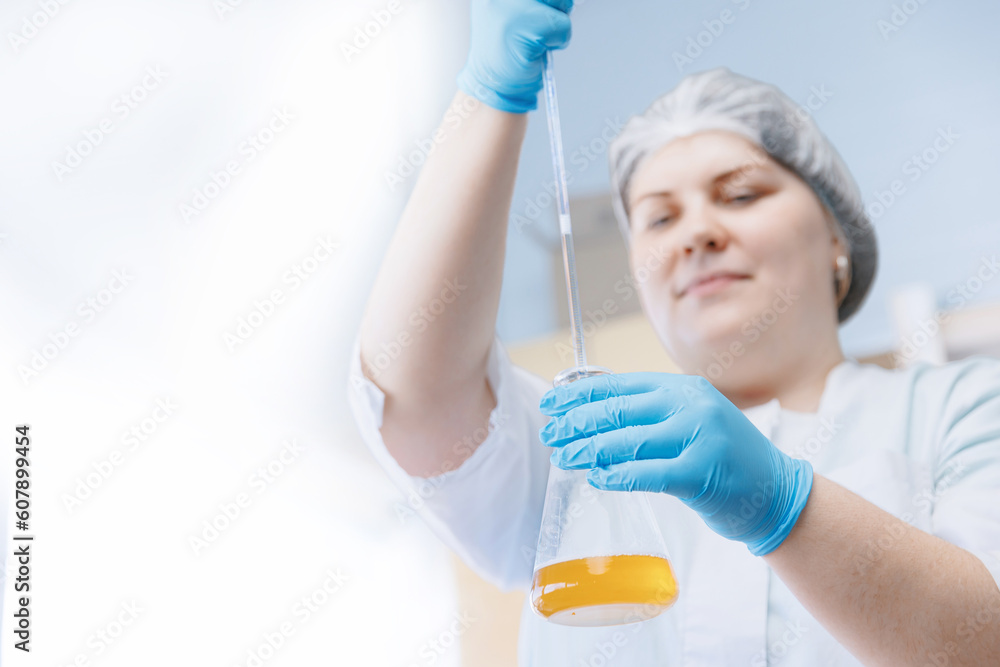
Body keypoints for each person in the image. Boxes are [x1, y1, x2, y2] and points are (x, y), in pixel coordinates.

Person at [347, 0, 1000, 664]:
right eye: (659, 220)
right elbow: (411, 390)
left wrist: (783, 505)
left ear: (836, 233)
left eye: (741, 195)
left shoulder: (966, 407)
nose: (696, 233)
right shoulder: (578, 459)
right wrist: (489, 94)